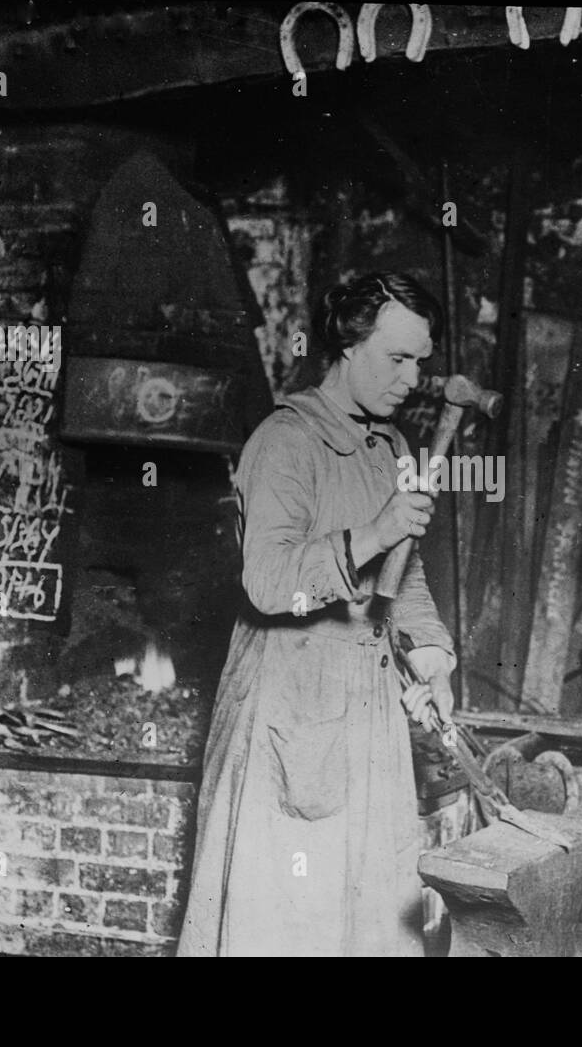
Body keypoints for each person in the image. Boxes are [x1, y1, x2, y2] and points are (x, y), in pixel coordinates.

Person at [177, 271, 457, 957]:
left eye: (422, 361)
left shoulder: (390, 448)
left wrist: (433, 658)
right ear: (347, 347)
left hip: (366, 710)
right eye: (398, 358)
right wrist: (374, 533)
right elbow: (270, 584)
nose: (413, 378)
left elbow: (405, 574)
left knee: (368, 917)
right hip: (290, 713)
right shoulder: (285, 441)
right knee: (284, 919)